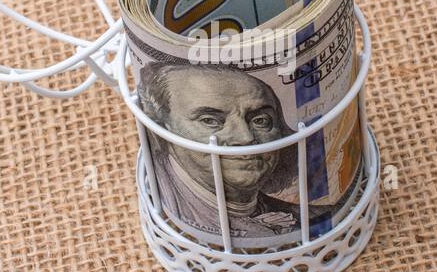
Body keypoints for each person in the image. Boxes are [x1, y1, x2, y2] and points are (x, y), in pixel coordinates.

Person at [139, 62, 330, 238]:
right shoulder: (168, 210)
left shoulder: (316, 217)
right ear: (162, 127)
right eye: (210, 120)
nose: (245, 137)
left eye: (260, 120)